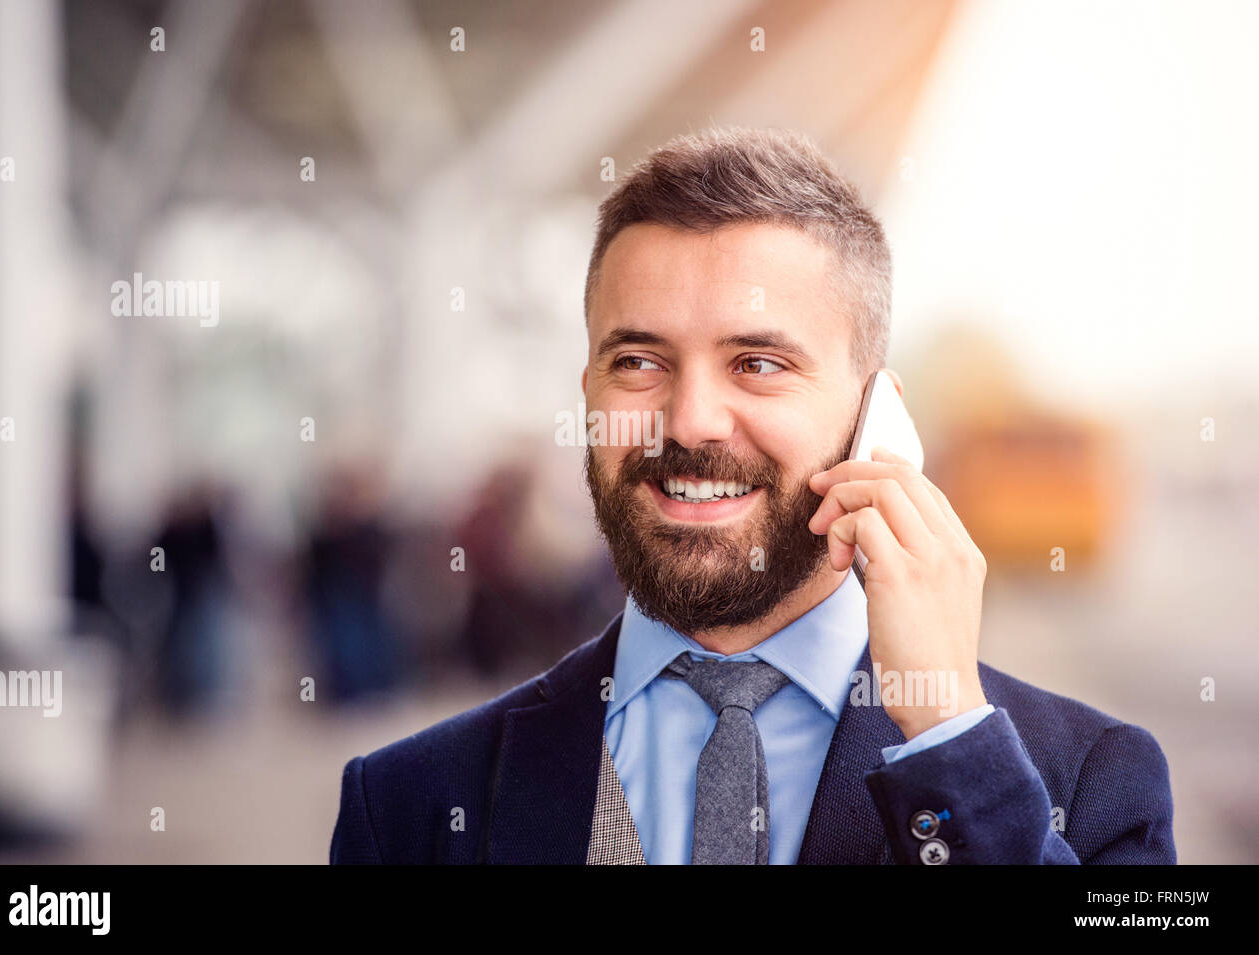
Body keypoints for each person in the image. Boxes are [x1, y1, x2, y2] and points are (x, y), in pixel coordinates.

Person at [329, 127, 1174, 864]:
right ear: (588, 396)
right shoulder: (405, 806)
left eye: (758, 364)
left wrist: (950, 733)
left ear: (877, 421)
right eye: (639, 362)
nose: (692, 421)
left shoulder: (1095, 786)